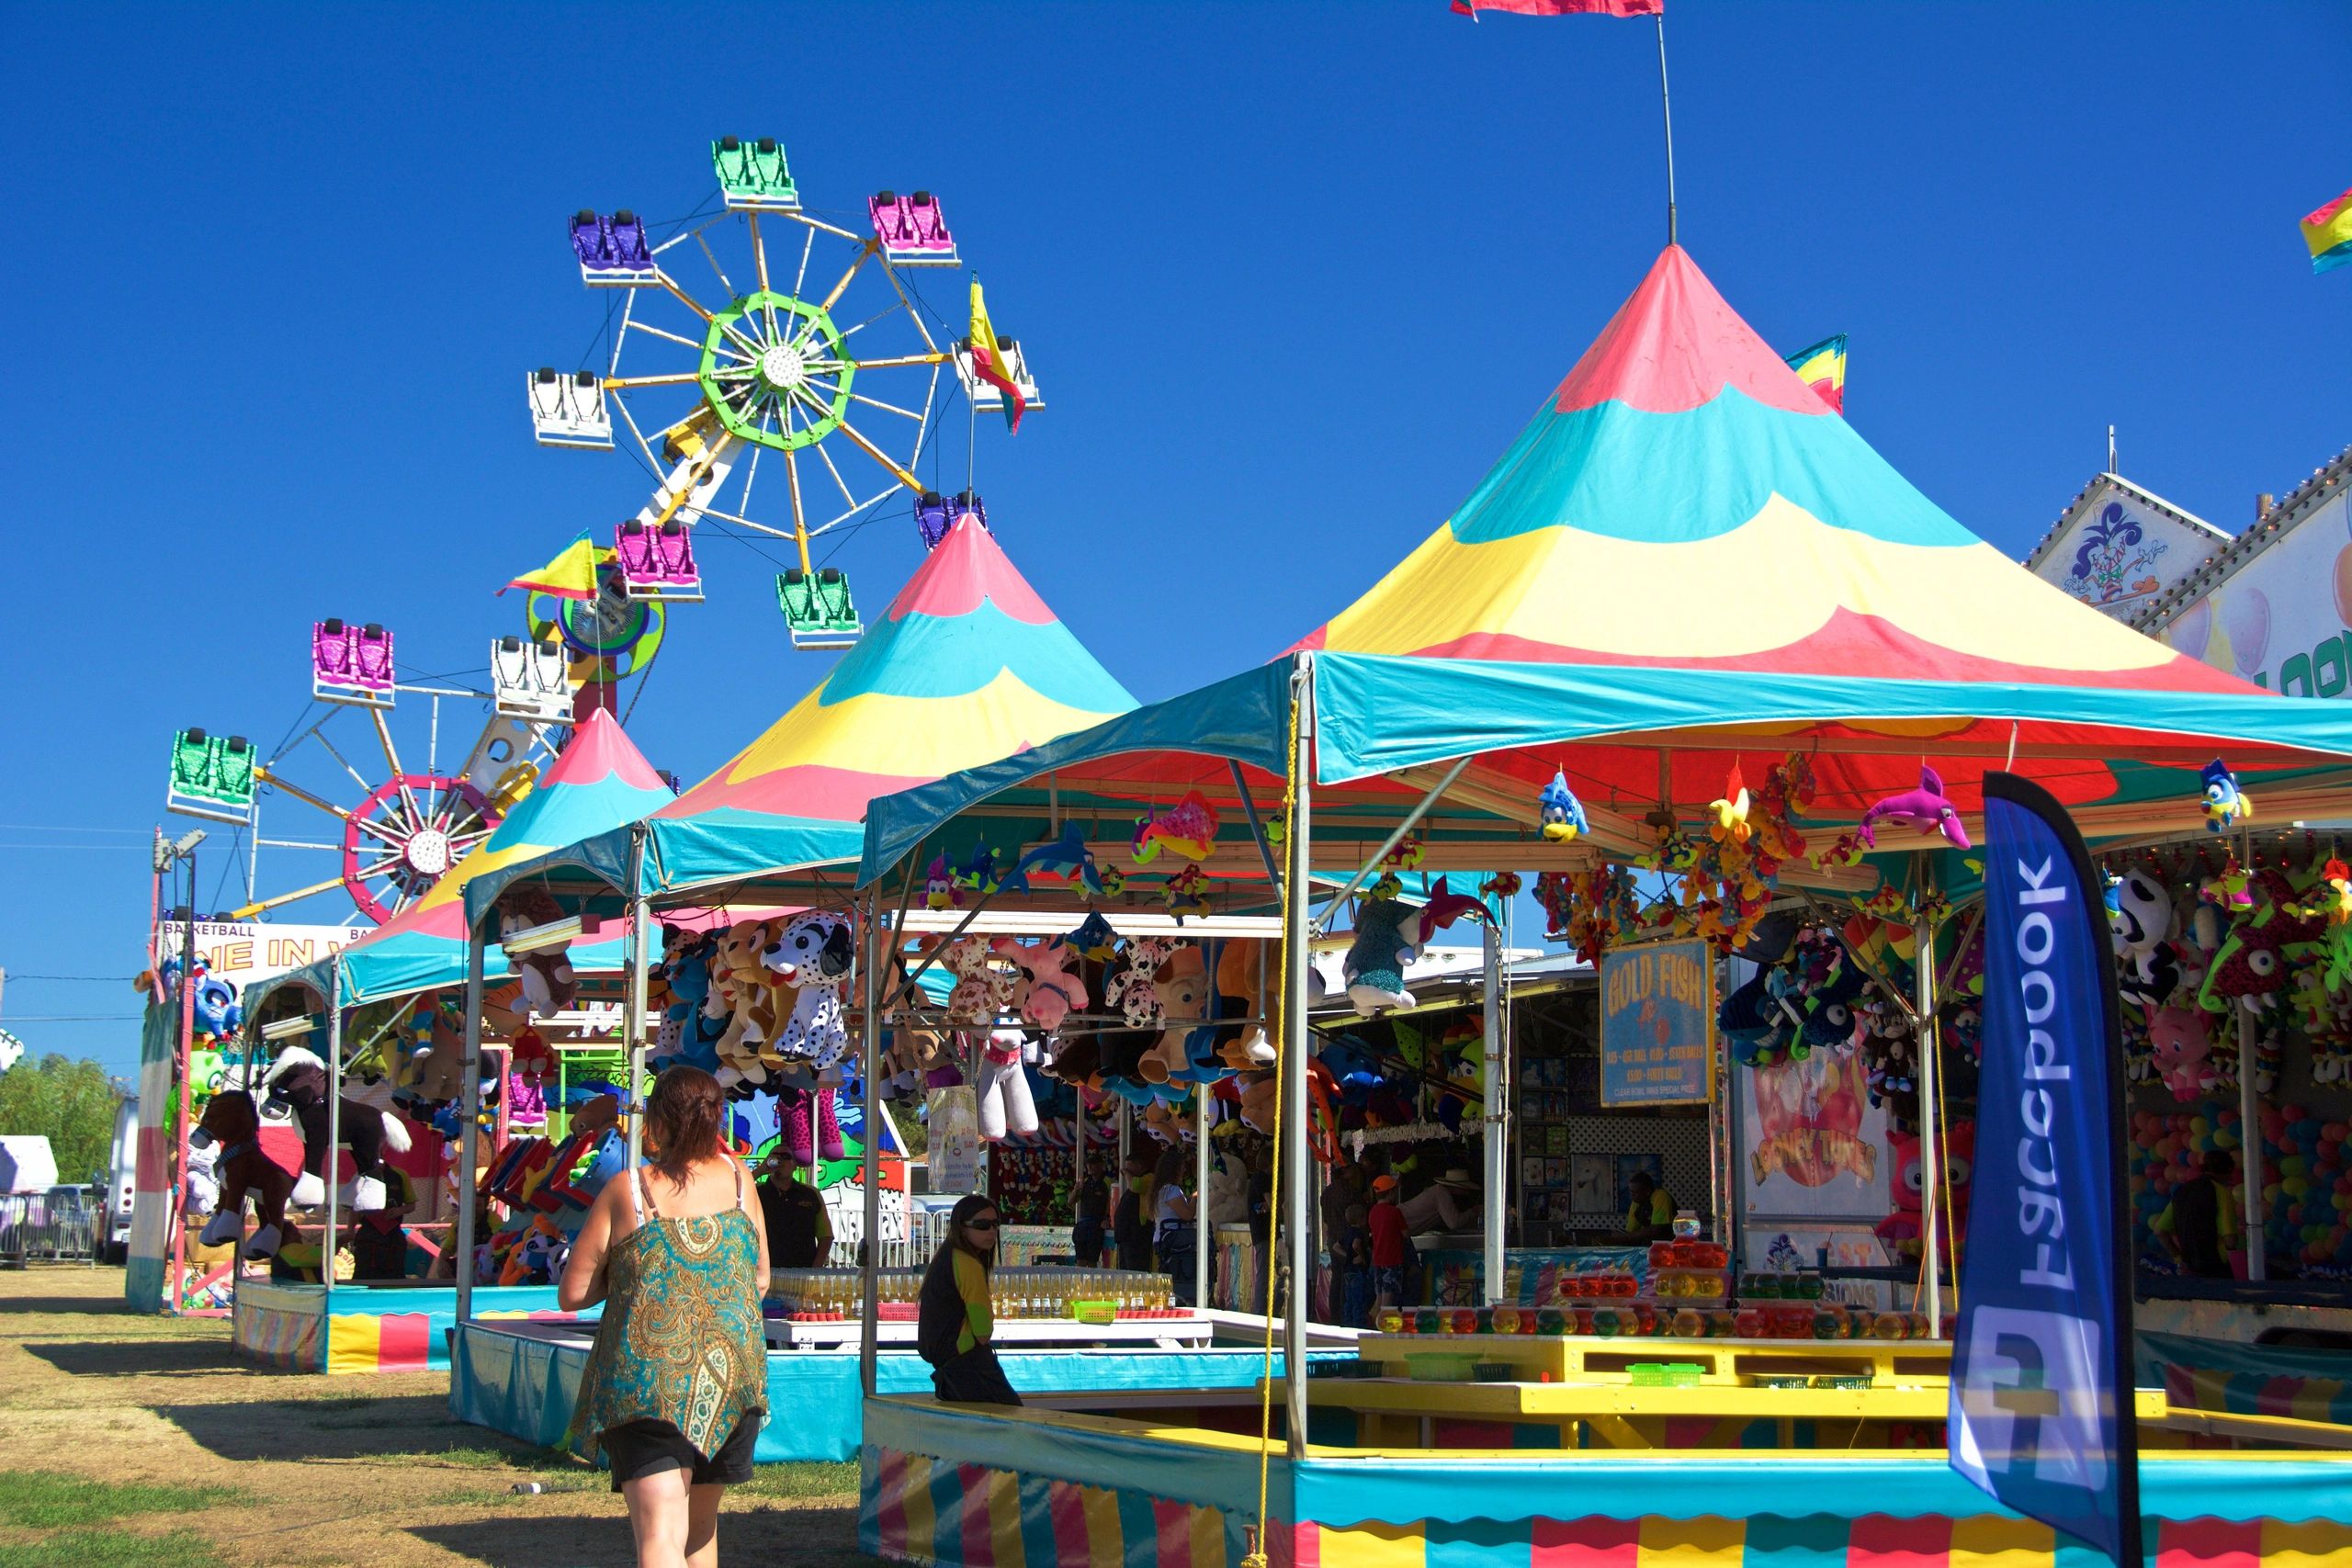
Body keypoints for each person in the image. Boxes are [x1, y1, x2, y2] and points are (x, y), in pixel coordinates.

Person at [560, 1066, 769, 1568]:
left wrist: (642, 1277)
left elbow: (574, 1293)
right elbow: (759, 1278)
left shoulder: (629, 1189)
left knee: (660, 1531)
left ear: (656, 1120)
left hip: (648, 1380)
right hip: (732, 1376)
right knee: (699, 1532)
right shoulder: (742, 1180)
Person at [918, 1193, 1021, 1404]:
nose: (992, 1231)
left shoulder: (947, 1257)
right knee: (1013, 1422)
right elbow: (983, 1331)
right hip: (967, 1364)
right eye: (982, 1225)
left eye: (995, 1224)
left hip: (949, 1366)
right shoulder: (967, 1264)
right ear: (962, 1228)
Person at [2156, 1150, 2239, 1279]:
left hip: (2190, 1265)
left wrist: (2178, 1257)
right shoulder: (2221, 1193)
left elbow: (2160, 1231)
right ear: (2228, 1170)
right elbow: (2230, 1239)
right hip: (2217, 1265)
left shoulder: (2181, 1191)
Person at [756, 1155, 832, 1269]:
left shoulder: (810, 1193)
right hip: (764, 1271)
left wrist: (815, 1268)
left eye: (785, 1157)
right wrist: (761, 1171)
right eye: (774, 1157)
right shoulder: (756, 1191)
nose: (780, 1160)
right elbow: (734, 1189)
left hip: (802, 1272)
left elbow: (826, 1236)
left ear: (795, 1165)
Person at [1147, 1146, 1197, 1303]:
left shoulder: (1159, 1190)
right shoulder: (1172, 1190)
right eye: (1182, 1167)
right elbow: (1187, 1215)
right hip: (1174, 1239)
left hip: (1162, 1238)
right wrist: (1196, 1196)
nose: (1184, 1171)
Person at [1400, 1168, 1481, 1235]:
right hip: (1397, 1226)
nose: (1466, 1192)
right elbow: (1454, 1223)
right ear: (1455, 1187)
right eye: (1464, 1189)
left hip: (1400, 1227)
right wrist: (1474, 1211)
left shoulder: (1438, 1191)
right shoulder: (1441, 1192)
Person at [1368, 1173, 1409, 1309]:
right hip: (1392, 1260)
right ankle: (1383, 1327)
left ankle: (1373, 1322)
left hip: (1378, 1259)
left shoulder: (1372, 1212)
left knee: (1379, 1297)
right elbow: (1405, 1234)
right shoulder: (1394, 1212)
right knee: (1388, 1300)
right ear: (1391, 1193)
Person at [1113, 1149, 1153, 1271]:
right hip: (1125, 1235)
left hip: (1138, 1234)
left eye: (1129, 1168)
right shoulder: (1133, 1183)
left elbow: (1135, 1186)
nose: (1125, 1172)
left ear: (1140, 1165)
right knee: (1124, 1272)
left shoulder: (1149, 1178)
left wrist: (1126, 1173)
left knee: (1135, 1270)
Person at [1613, 1171, 1675, 1243]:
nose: (1632, 1195)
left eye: (1635, 1192)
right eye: (1631, 1191)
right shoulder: (1636, 1202)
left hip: (1667, 1244)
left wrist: (1628, 1236)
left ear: (1647, 1191)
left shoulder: (1661, 1196)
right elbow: (1630, 1231)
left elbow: (1656, 1230)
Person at [1071, 1172, 1109, 1267]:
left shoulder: (1105, 1182)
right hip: (1083, 1224)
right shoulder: (1085, 1182)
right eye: (1088, 1164)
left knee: (1092, 1260)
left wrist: (1106, 1218)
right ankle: (1080, 1280)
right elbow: (1070, 1201)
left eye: (1093, 1164)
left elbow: (1109, 1201)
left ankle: (1091, 1279)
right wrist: (1076, 1190)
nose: (1090, 1167)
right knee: (1080, 1259)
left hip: (1096, 1224)